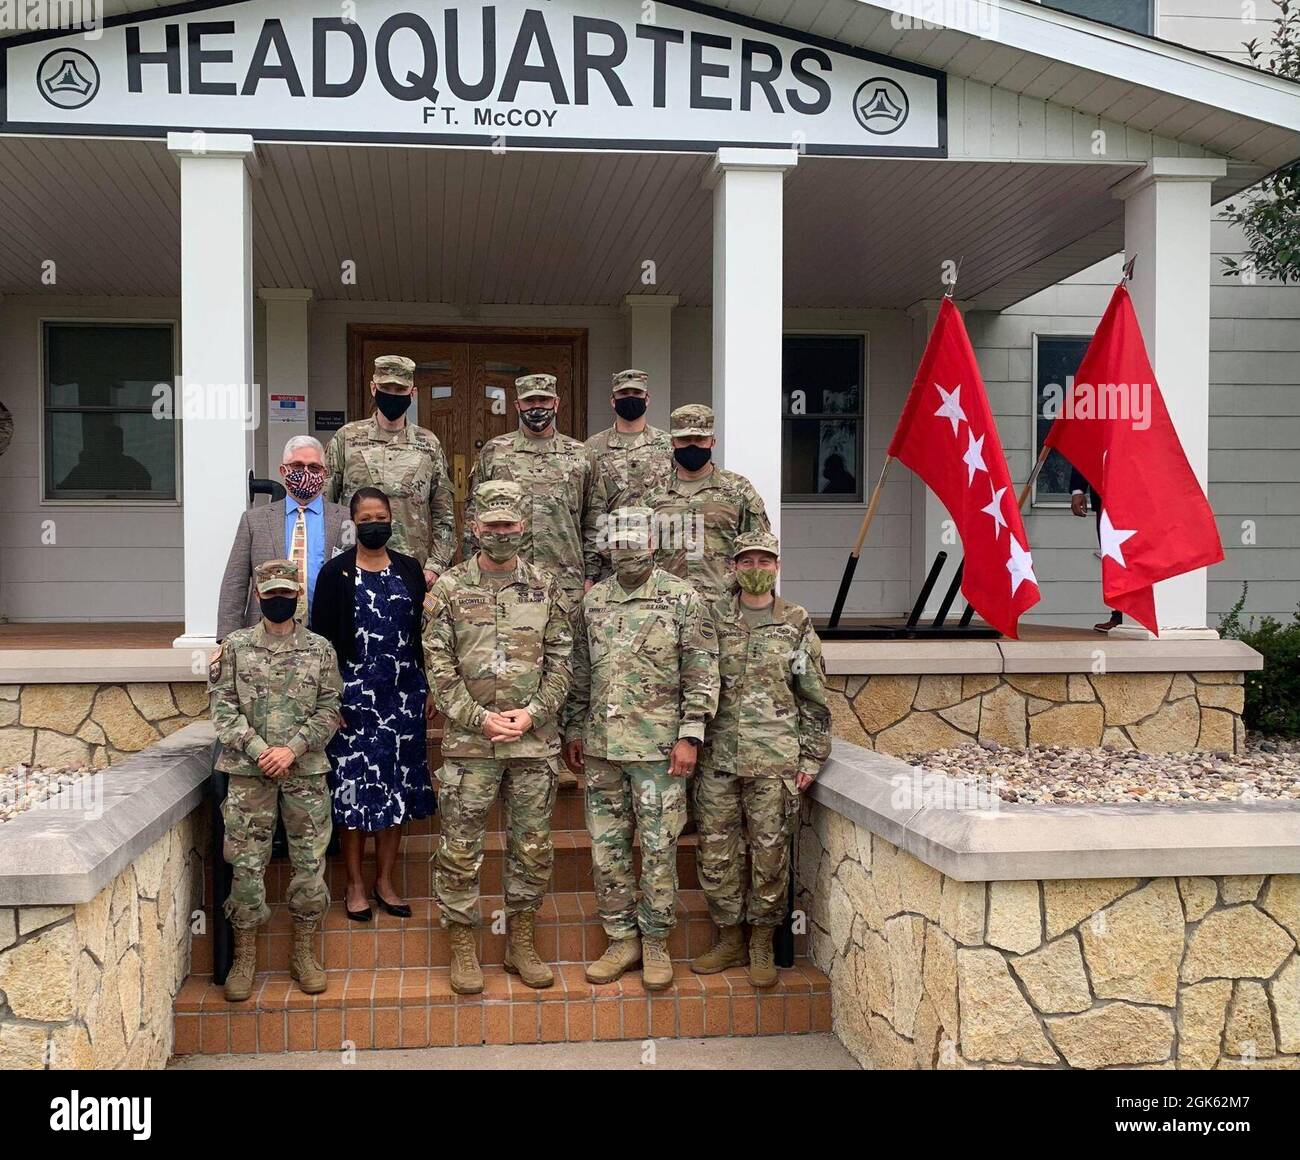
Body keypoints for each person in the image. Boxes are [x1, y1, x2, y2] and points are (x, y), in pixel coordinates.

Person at [422, 480, 574, 994]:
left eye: (510, 524)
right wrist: (475, 716)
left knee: (532, 848)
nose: (501, 533)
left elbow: (561, 663)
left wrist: (533, 713)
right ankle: (463, 945)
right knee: (460, 848)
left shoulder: (546, 586)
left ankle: (521, 943)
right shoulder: (447, 589)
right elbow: (438, 668)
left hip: (533, 744)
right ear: (474, 527)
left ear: (523, 527)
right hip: (470, 746)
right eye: (492, 525)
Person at [563, 507, 720, 990]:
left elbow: (701, 671)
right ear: (608, 548)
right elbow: (582, 673)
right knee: (607, 849)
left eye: (636, 541)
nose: (628, 550)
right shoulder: (593, 604)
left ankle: (654, 941)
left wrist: (690, 735)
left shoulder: (682, 599)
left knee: (657, 847)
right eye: (619, 542)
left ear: (653, 544)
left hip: (659, 752)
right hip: (602, 750)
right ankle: (620, 939)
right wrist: (574, 730)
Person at [690, 531, 832, 987]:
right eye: (747, 560)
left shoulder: (794, 621)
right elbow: (692, 681)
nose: (756, 567)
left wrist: (811, 757)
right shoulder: (712, 618)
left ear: (777, 567)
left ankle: (761, 941)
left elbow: (813, 697)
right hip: (717, 759)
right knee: (716, 853)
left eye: (764, 561)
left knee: (770, 856)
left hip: (774, 761)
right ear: (733, 567)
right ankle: (730, 936)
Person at [208, 559, 342, 1001]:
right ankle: (245, 955)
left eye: (286, 594)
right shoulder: (235, 648)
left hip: (304, 771)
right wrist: (260, 750)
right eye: (271, 595)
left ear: (298, 595)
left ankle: (304, 952)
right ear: (258, 597)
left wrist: (293, 749)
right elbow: (223, 710)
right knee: (246, 865)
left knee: (309, 865)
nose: (279, 601)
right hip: (250, 774)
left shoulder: (321, 649)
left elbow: (330, 710)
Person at [311, 487, 435, 922]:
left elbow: (424, 634)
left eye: (380, 515)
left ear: (391, 518)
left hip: (403, 698)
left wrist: (428, 687)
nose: (374, 523)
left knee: (396, 791)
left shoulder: (409, 569)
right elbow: (321, 644)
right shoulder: (334, 574)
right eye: (365, 518)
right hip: (353, 701)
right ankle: (355, 884)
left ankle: (385, 880)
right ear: (353, 522)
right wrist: (328, 702)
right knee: (353, 793)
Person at [324, 354, 456, 589]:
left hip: (412, 569)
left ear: (412, 393)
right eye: (386, 387)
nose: (393, 394)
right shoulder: (347, 438)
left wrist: (435, 566)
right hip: (354, 567)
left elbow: (444, 513)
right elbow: (326, 505)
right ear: (373, 388)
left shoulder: (429, 444)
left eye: (400, 389)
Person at [465, 373, 592, 616]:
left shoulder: (580, 454)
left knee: (563, 650)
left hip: (565, 578)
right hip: (505, 576)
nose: (537, 408)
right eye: (529, 401)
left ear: (556, 403)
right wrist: (473, 569)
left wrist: (593, 575)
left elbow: (593, 516)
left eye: (543, 401)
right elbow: (475, 513)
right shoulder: (495, 452)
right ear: (517, 405)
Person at [217, 435, 349, 640]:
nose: (306, 473)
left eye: (314, 467)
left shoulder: (347, 519)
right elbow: (235, 582)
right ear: (283, 471)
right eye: (297, 466)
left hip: (330, 632)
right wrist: (226, 638)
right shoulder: (254, 520)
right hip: (265, 635)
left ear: (324, 473)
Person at [645, 404, 772, 604]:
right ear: (673, 442)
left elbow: (760, 548)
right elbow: (641, 553)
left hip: (724, 607)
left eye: (700, 439)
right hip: (666, 606)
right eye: (685, 440)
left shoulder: (738, 489)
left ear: (713, 441)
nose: (692, 446)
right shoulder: (653, 494)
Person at [584, 369, 674, 582]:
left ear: (647, 398)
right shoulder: (593, 447)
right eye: (624, 394)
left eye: (636, 393)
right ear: (613, 401)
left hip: (658, 560)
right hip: (612, 560)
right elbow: (589, 512)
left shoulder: (668, 445)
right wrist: (591, 570)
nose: (630, 398)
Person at [1069, 463, 1123, 633]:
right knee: (1115, 559)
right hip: (1105, 497)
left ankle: (1140, 614)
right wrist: (1078, 489)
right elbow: (1086, 446)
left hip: (1142, 496)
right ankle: (1120, 615)